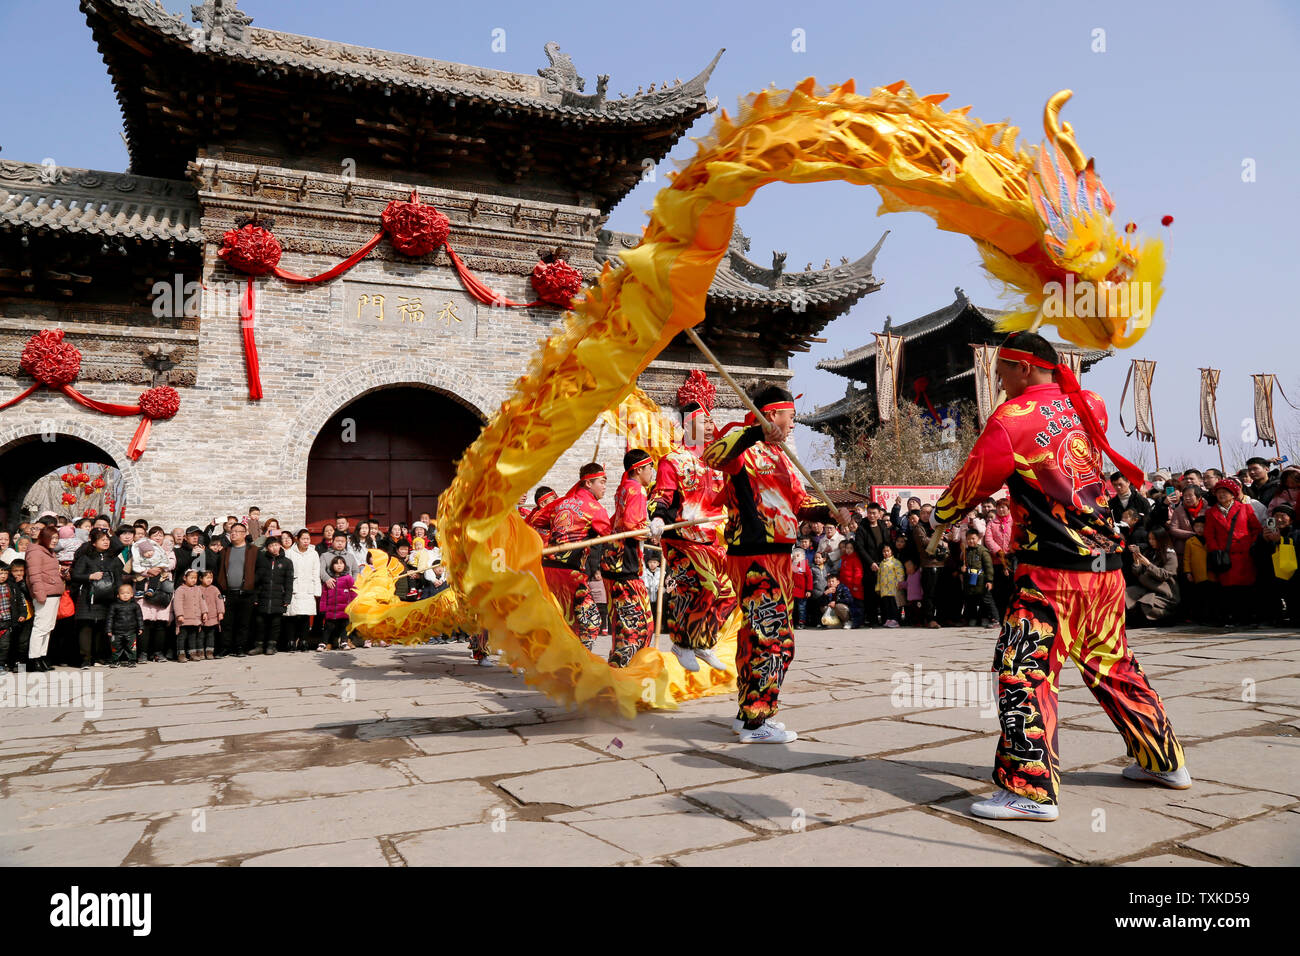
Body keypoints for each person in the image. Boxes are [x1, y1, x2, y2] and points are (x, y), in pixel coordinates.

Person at [932, 331, 1187, 822]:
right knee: (1113, 665)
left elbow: (972, 482)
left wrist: (941, 516)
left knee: (1022, 673)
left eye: (1003, 370)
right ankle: (1163, 760)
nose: (999, 381)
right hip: (1106, 570)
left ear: (1024, 368)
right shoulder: (1088, 402)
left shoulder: (1010, 420)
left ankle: (1029, 790)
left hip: (1052, 574)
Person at [702, 384, 815, 744]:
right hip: (755, 553)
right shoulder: (745, 447)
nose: (793, 424)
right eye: (790, 417)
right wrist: (752, 432)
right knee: (774, 638)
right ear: (773, 415)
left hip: (779, 554)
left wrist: (832, 512)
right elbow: (712, 456)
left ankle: (748, 712)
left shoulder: (781, 456)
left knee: (756, 635)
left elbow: (799, 501)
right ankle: (756, 722)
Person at [541, 463, 611, 651]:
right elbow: (610, 538)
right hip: (570, 574)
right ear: (588, 483)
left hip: (547, 569)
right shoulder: (595, 508)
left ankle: (557, 664)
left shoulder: (560, 502)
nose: (605, 486)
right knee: (591, 621)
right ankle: (579, 663)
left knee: (563, 620)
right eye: (602, 482)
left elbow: (536, 521)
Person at [602, 449, 656, 668]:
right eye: (650, 467)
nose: (652, 472)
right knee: (637, 627)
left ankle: (620, 671)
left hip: (616, 562)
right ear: (639, 469)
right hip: (624, 564)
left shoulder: (623, 488)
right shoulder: (637, 490)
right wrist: (651, 531)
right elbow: (632, 526)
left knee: (623, 623)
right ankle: (621, 673)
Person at [1204, 477, 1262, 628]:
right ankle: (1234, 617)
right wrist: (1216, 550)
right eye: (1219, 492)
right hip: (1225, 557)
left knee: (1247, 588)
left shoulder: (1245, 508)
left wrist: (1250, 544)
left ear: (1233, 494)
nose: (1222, 495)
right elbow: (1209, 535)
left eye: (1225, 492)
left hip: (1245, 555)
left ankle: (1248, 617)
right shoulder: (1211, 513)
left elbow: (1256, 529)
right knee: (1229, 589)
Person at [71, 528, 120, 668]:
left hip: (107, 597)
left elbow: (118, 578)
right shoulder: (86, 557)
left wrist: (118, 592)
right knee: (86, 627)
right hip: (88, 597)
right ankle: (85, 658)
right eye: (102, 539)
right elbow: (75, 575)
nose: (106, 541)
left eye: (107, 539)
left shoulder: (113, 558)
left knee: (102, 628)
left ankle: (99, 657)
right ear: (93, 543)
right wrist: (90, 576)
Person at [217, 522, 259, 657]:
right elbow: (219, 569)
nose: (233, 534)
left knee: (244, 623)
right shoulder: (225, 551)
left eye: (237, 531)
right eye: (232, 531)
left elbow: (260, 571)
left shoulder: (253, 550)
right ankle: (225, 647)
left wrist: (252, 585)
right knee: (227, 622)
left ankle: (241, 647)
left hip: (247, 593)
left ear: (244, 534)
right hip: (228, 593)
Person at [1125, 528, 1181, 627]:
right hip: (1146, 588)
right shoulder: (1150, 552)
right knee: (1126, 594)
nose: (1151, 542)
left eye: (1154, 539)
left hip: (1164, 591)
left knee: (1145, 603)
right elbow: (1138, 573)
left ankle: (1164, 618)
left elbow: (1164, 575)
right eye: (1150, 539)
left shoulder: (1170, 555)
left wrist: (1148, 564)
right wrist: (1137, 563)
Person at [251, 536, 293, 654]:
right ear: (267, 548)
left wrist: (287, 598)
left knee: (275, 624)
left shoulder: (287, 562)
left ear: (279, 545)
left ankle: (271, 645)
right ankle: (259, 646)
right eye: (270, 546)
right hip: (262, 597)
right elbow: (257, 581)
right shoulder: (262, 560)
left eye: (275, 545)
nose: (274, 548)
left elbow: (289, 582)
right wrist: (255, 596)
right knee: (260, 623)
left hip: (278, 597)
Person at [284, 529, 321, 652]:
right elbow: (286, 573)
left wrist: (317, 591)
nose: (306, 541)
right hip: (294, 588)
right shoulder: (290, 553)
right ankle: (291, 641)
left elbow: (316, 572)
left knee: (305, 616)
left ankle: (304, 641)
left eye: (308, 539)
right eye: (303, 539)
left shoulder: (313, 553)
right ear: (297, 539)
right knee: (291, 616)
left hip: (308, 588)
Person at [960, 529, 998, 627]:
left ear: (978, 538)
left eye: (973, 538)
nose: (971, 541)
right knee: (970, 600)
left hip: (981, 581)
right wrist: (962, 569)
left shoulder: (983, 551)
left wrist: (989, 581)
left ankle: (995, 620)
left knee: (986, 600)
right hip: (970, 581)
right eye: (968, 539)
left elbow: (988, 567)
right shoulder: (965, 552)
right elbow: (962, 564)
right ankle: (973, 618)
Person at [318, 555, 356, 650]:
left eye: (341, 563)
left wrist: (353, 606)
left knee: (345, 626)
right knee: (328, 626)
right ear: (332, 566)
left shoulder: (348, 578)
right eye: (336, 563)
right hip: (331, 609)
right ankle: (323, 642)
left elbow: (353, 592)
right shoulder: (329, 580)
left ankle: (344, 642)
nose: (339, 565)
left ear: (344, 565)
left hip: (345, 609)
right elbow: (324, 595)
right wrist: (322, 608)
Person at [1182, 516, 1212, 625]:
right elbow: (1186, 558)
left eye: (1202, 526)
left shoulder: (1211, 539)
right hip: (1197, 574)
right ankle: (1200, 618)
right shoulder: (1190, 541)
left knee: (1211, 597)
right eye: (1197, 526)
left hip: (1211, 573)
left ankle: (1210, 617)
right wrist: (1188, 572)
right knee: (1199, 597)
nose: (1199, 529)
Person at [106, 582, 143, 667]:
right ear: (118, 595)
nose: (125, 595)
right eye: (122, 593)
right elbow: (110, 618)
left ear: (132, 595)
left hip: (131, 631)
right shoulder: (114, 606)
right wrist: (109, 630)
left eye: (128, 593)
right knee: (115, 647)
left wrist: (141, 627)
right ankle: (115, 661)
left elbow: (139, 617)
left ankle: (132, 660)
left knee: (132, 647)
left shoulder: (135, 605)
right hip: (117, 631)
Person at [172, 567, 204, 661]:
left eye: (195, 578)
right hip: (184, 619)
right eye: (191, 578)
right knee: (182, 637)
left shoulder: (198, 589)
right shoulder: (180, 589)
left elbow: (202, 601)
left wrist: (204, 612)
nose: (194, 580)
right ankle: (181, 654)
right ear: (185, 578)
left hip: (195, 618)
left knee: (192, 637)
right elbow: (177, 603)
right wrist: (179, 615)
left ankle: (192, 653)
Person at [836, 540, 864, 626]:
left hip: (854, 587)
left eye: (851, 548)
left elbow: (858, 573)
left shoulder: (855, 559)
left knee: (856, 606)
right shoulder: (844, 558)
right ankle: (848, 621)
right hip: (846, 586)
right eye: (847, 548)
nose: (848, 550)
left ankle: (857, 622)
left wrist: (856, 584)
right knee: (849, 605)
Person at [876, 545, 904, 627]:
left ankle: (895, 620)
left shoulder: (895, 562)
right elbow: (879, 576)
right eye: (884, 551)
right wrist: (878, 588)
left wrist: (900, 583)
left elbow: (900, 573)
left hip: (893, 588)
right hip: (884, 589)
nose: (886, 553)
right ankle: (889, 619)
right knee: (887, 605)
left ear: (891, 552)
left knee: (894, 605)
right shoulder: (881, 563)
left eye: (888, 551)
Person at [198, 569, 223, 660]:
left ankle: (209, 652)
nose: (209, 580)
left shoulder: (215, 589)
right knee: (200, 635)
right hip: (201, 617)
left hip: (213, 616)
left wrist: (220, 612)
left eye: (211, 578)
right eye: (207, 578)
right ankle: (200, 652)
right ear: (201, 578)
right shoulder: (197, 589)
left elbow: (220, 601)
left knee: (210, 635)